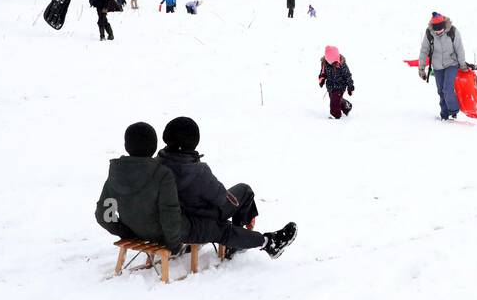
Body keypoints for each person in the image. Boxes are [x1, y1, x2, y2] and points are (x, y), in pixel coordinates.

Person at [156, 117, 297, 259]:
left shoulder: (157, 163)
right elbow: (220, 198)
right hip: (201, 217)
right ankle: (245, 242)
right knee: (244, 190)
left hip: (177, 219)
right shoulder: (198, 171)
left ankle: (243, 237)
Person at [94, 122, 189, 252]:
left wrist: (126, 232)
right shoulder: (162, 174)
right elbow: (169, 214)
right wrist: (174, 246)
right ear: (154, 146)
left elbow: (104, 214)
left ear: (126, 146)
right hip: (161, 236)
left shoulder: (117, 172)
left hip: (133, 230)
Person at [418, 12, 469, 120]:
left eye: (440, 29)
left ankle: (454, 110)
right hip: (437, 66)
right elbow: (424, 51)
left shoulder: (452, 31)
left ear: (444, 26)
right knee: (441, 91)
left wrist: (462, 64)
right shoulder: (429, 33)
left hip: (451, 63)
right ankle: (444, 115)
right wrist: (421, 68)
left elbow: (459, 49)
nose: (438, 32)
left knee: (447, 89)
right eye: (436, 30)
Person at [318, 45, 355, 119]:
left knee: (334, 101)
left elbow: (347, 76)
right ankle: (346, 106)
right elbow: (323, 73)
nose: (331, 62)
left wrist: (350, 87)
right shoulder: (325, 63)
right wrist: (322, 79)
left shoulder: (341, 64)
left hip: (340, 85)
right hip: (330, 86)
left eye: (333, 61)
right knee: (335, 99)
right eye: (329, 61)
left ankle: (335, 115)